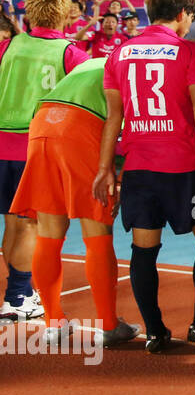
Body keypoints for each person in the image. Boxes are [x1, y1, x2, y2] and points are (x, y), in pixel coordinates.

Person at [94, 0, 195, 353]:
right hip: (185, 168)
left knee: (143, 249)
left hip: (139, 169)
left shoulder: (118, 54)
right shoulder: (189, 52)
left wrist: (106, 168)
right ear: (183, 15)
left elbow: (113, 116)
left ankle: (155, 332)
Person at [10, 56, 138, 346]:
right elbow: (131, 128)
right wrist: (119, 178)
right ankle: (109, 325)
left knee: (49, 235)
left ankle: (54, 323)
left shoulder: (95, 61)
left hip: (42, 123)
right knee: (97, 234)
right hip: (83, 126)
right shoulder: (131, 68)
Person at [0, 0, 88, 323]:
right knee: (30, 225)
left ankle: (21, 290)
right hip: (35, 147)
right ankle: (17, 297)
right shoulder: (70, 54)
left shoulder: (7, 46)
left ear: (29, 13)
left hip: (2, 144)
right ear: (65, 14)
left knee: (12, 222)